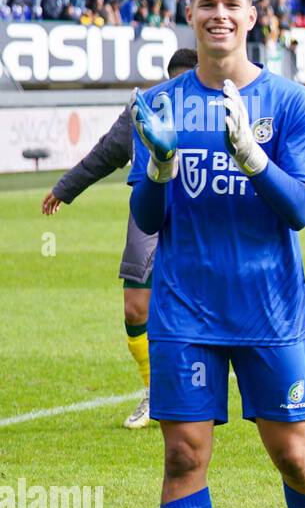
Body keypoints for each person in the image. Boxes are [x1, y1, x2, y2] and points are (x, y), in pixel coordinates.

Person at [122, 0, 305, 508]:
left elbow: (300, 210)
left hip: (269, 308)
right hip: (184, 306)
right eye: (207, 3)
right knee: (184, 452)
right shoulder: (161, 104)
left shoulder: (291, 103)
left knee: (294, 458)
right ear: (191, 14)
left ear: (252, 16)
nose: (219, 14)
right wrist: (156, 168)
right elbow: (148, 218)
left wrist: (252, 155)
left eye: (231, 4)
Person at [42, 49, 196, 428]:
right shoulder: (144, 109)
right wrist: (66, 188)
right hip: (147, 213)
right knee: (135, 309)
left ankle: (200, 386)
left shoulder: (215, 108)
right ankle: (154, 391)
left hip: (199, 219)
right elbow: (106, 153)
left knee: (198, 307)